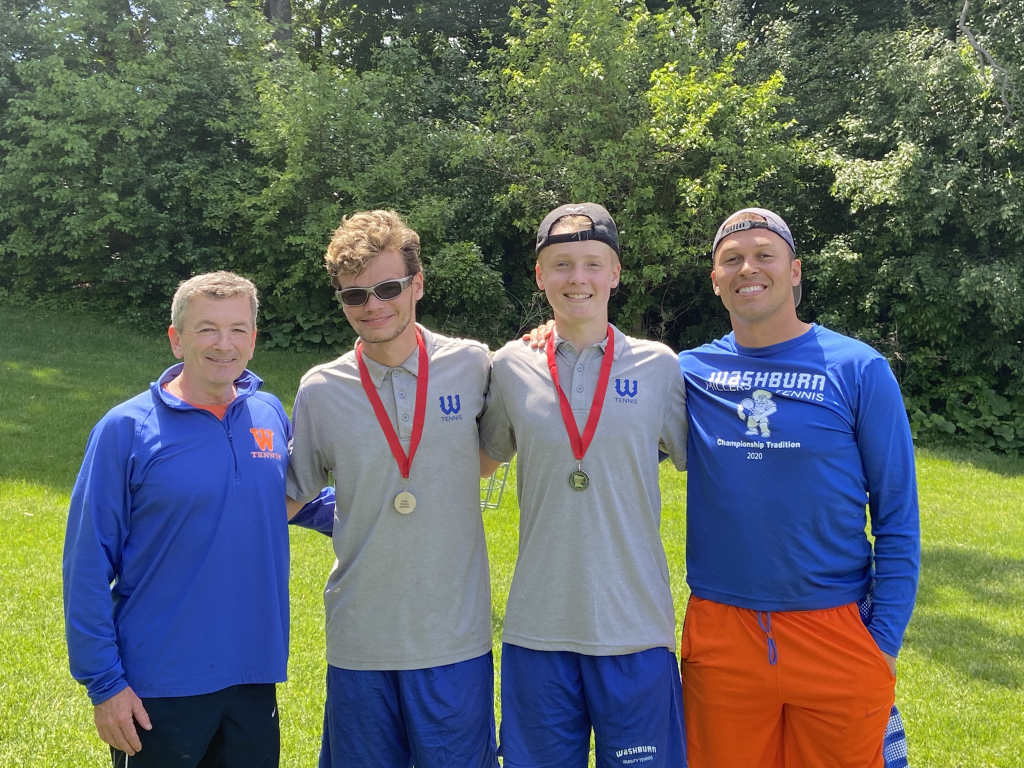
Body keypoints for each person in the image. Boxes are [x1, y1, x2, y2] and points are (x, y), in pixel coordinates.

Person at [677, 208, 920, 768]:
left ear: (794, 271)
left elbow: (897, 517)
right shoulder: (688, 373)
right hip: (722, 629)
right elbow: (614, 370)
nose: (748, 268)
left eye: (765, 254)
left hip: (836, 629)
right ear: (716, 281)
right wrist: (557, 329)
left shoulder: (859, 369)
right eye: (731, 259)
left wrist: (881, 643)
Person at [285, 210, 498, 768]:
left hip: (454, 639)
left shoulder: (474, 365)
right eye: (356, 296)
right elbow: (288, 496)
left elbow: (495, 450)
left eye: (387, 288)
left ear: (417, 284)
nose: (374, 305)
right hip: (361, 637)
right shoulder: (321, 389)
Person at [478, 203, 688, 768]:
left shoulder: (660, 367)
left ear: (615, 273)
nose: (578, 278)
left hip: (635, 630)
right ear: (541, 276)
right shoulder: (508, 367)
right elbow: (475, 460)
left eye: (593, 264)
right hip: (538, 631)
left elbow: (717, 468)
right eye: (562, 264)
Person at [63, 272, 292, 768]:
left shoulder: (270, 413)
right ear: (176, 338)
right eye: (207, 328)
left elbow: (295, 498)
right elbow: (85, 564)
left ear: (254, 339)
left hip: (254, 674)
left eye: (238, 329)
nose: (224, 344)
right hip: (157, 687)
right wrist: (105, 686)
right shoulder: (125, 430)